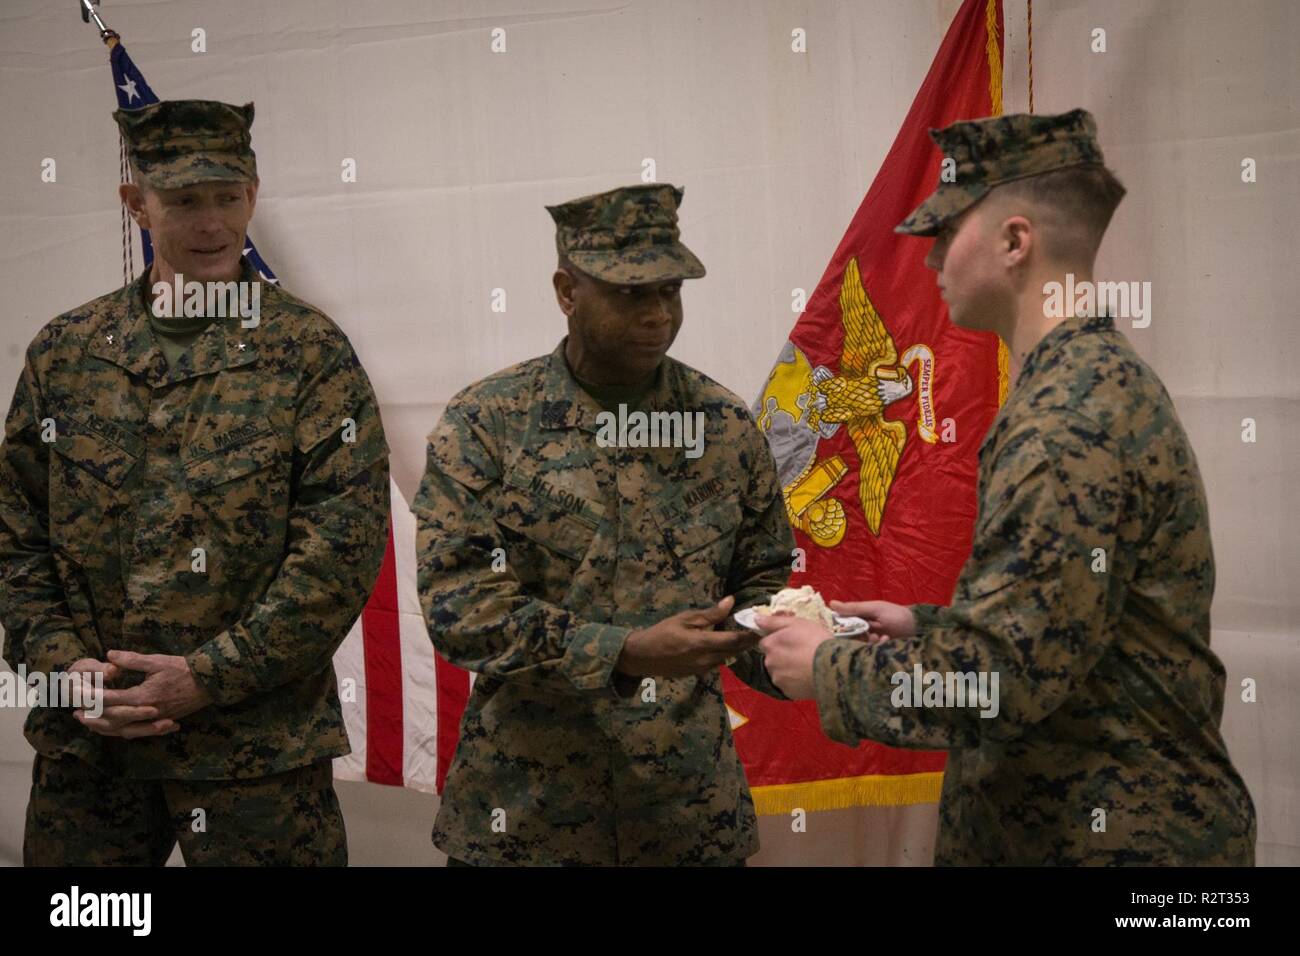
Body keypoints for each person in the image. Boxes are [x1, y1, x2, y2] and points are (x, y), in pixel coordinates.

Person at [756, 109, 1257, 865]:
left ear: (1015, 241)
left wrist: (829, 668)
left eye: (944, 235)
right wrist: (931, 627)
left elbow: (1001, 682)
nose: (929, 264)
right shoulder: (1088, 386)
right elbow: (1072, 631)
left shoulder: (1065, 419)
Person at [0, 99, 390, 865]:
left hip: (256, 753)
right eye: (183, 200)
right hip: (93, 751)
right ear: (135, 204)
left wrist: (210, 677)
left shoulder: (309, 354)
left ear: (253, 194)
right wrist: (59, 667)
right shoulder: (69, 352)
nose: (211, 222)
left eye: (227, 195)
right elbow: (15, 530)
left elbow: (339, 553)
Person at [412, 184, 795, 865]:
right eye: (629, 293)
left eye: (670, 292)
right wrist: (623, 651)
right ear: (567, 291)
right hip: (525, 818)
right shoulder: (488, 423)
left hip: (686, 817)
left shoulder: (725, 425)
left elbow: (760, 583)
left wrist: (802, 650)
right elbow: (460, 605)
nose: (657, 314)